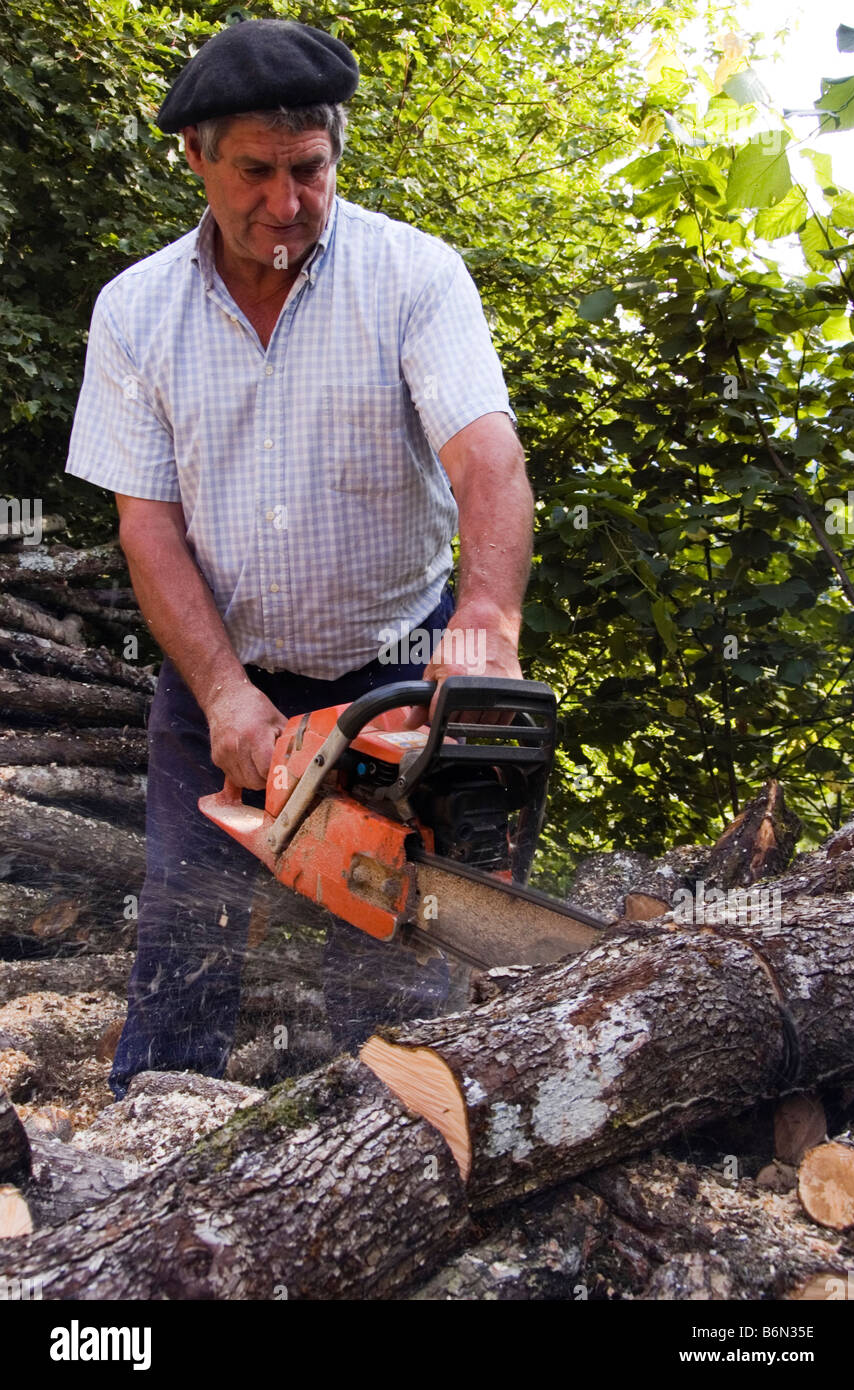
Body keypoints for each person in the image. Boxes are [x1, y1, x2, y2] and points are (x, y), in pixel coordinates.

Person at [65, 17, 534, 1099]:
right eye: (256, 172)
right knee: (187, 932)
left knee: (393, 971)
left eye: (309, 170)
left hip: (394, 673)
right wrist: (225, 694)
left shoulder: (413, 278)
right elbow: (150, 527)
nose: (284, 202)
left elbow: (491, 466)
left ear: (336, 150)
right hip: (222, 677)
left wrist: (485, 625)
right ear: (195, 156)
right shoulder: (137, 312)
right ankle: (153, 1146)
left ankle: (388, 1154)